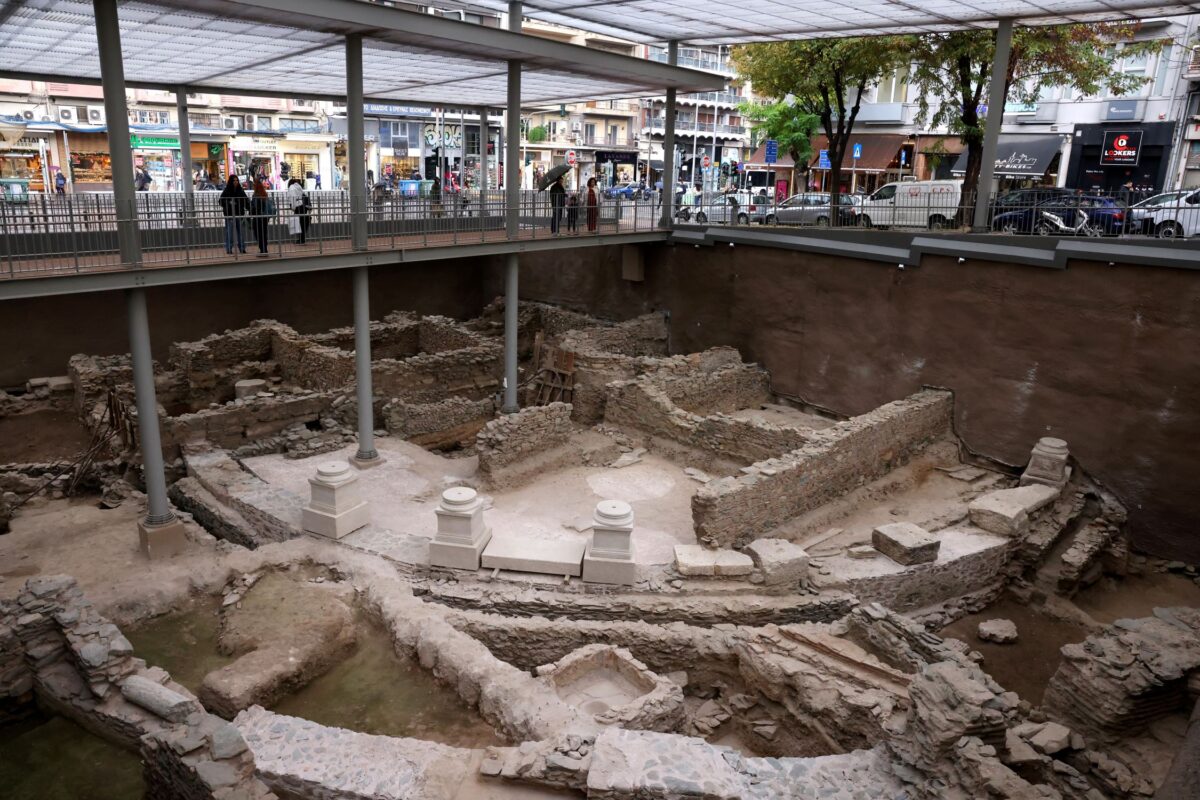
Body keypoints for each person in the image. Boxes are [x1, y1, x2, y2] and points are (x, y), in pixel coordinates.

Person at [219, 175, 249, 255]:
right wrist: (229, 203)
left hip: (239, 214)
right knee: (229, 232)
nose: (235, 182)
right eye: (234, 180)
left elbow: (246, 201)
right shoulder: (227, 190)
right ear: (231, 182)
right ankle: (229, 248)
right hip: (229, 215)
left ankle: (242, 248)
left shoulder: (240, 190)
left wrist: (250, 209)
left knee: (241, 232)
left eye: (237, 180)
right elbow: (221, 201)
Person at [249, 177, 272, 257]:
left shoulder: (256, 195)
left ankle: (262, 250)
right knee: (264, 233)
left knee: (258, 234)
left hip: (258, 217)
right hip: (265, 217)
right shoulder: (264, 194)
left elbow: (256, 207)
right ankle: (264, 249)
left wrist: (251, 210)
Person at [286, 177, 310, 245]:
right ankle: (302, 239)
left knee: (299, 224)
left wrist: (293, 207)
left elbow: (293, 198)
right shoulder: (298, 187)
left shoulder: (292, 188)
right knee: (302, 223)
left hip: (298, 207)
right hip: (303, 206)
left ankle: (301, 240)